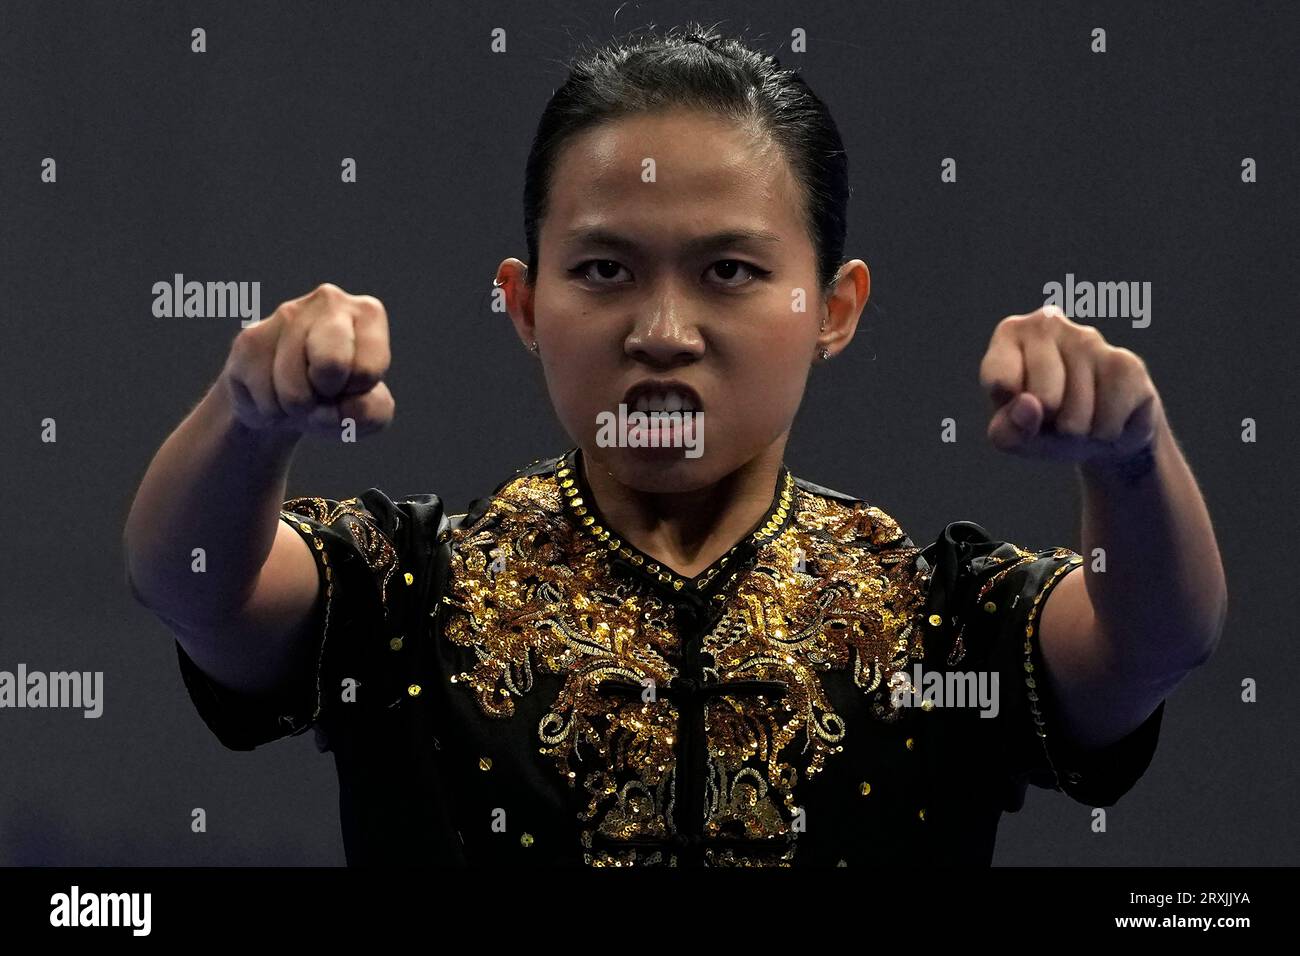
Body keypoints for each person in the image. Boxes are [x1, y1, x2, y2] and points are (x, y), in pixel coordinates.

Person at [123, 23, 1227, 866]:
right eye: (604, 270)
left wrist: (1131, 460)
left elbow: (1154, 642)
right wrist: (245, 415)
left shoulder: (934, 617)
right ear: (522, 301)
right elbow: (193, 584)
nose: (660, 332)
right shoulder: (409, 590)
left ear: (833, 307)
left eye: (729, 272)